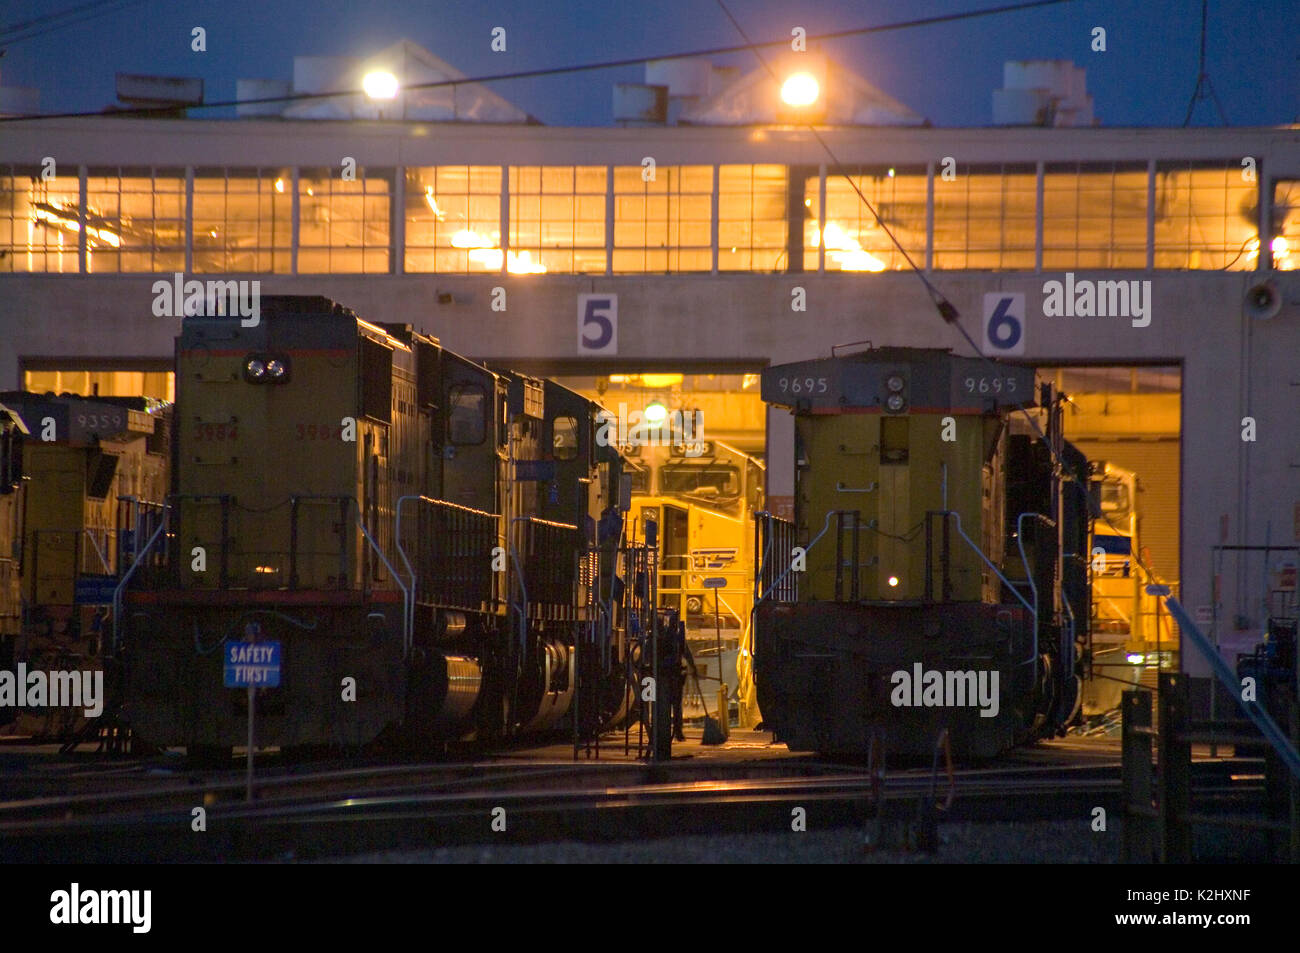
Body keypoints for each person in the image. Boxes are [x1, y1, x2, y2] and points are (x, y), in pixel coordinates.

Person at [662, 616, 695, 742]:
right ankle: (676, 731)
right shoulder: (677, 639)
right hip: (674, 674)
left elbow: (685, 652)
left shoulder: (666, 637)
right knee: (676, 704)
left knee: (669, 704)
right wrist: (692, 667)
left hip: (669, 673)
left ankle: (668, 731)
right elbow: (686, 653)